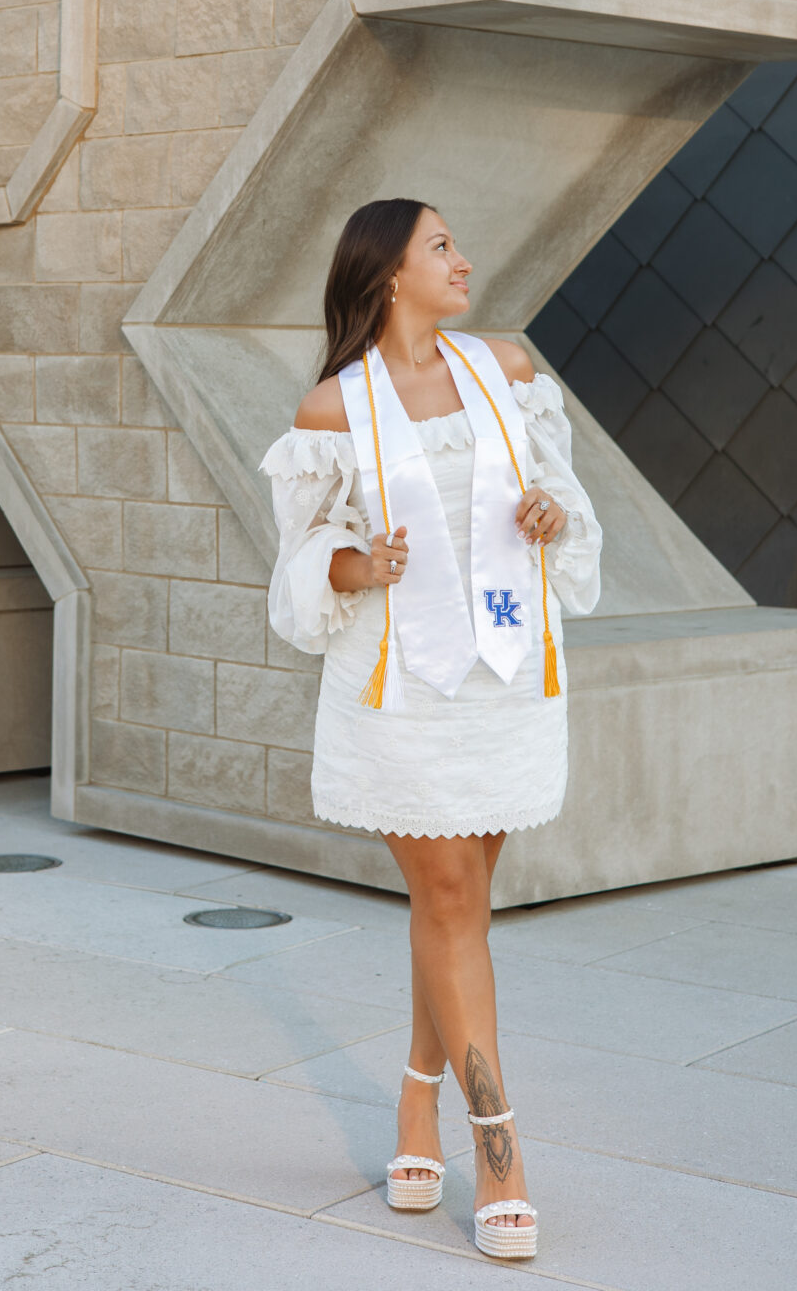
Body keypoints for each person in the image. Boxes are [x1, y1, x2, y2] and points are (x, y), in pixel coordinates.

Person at [260, 199, 601, 1261]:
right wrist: (369, 564)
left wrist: (548, 511)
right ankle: (497, 1145)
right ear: (391, 274)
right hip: (400, 689)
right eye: (443, 245)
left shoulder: (506, 369)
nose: (465, 259)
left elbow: (564, 499)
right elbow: (302, 564)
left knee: (450, 908)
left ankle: (416, 1100)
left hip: (501, 679)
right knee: (450, 899)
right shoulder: (333, 410)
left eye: (459, 239)